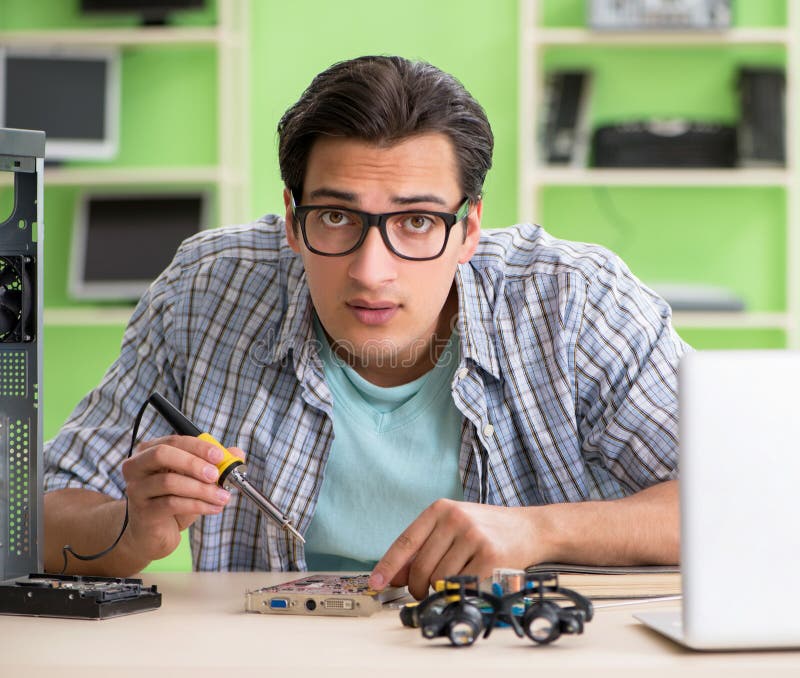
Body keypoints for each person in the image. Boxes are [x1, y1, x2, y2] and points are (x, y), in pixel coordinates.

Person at [44, 55, 687, 600]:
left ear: (467, 229)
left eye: (415, 222)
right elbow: (32, 521)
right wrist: (124, 530)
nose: (371, 271)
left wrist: (542, 532)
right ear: (293, 220)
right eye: (334, 218)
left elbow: (752, 500)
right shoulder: (208, 288)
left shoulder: (575, 301)